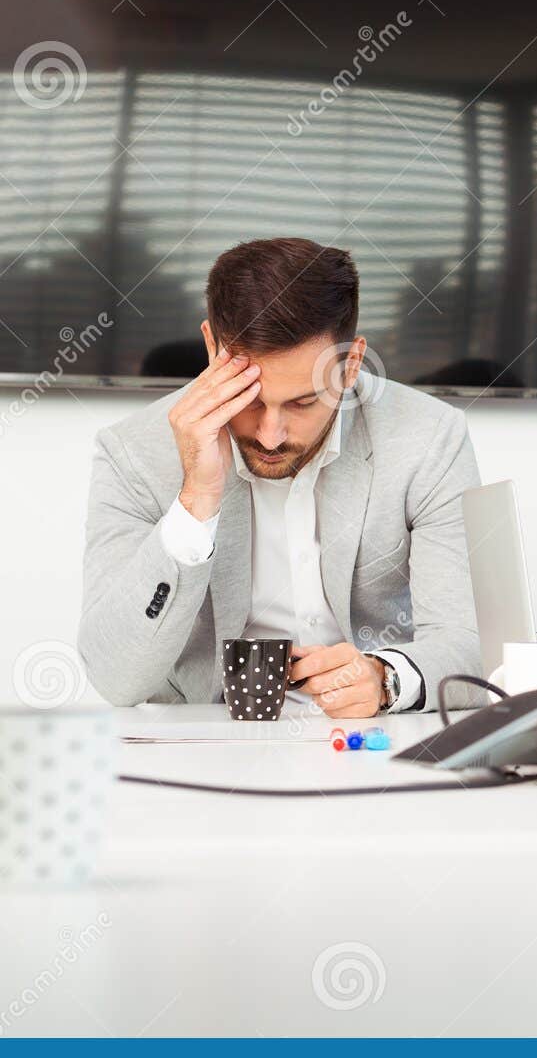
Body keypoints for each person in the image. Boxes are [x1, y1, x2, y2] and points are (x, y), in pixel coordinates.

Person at [78, 237, 482, 717]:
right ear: (212, 347)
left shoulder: (429, 438)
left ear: (352, 363)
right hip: (202, 741)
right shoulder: (132, 452)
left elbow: (472, 643)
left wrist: (385, 677)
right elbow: (114, 678)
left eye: (303, 402)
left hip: (367, 740)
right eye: (249, 400)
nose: (270, 436)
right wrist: (196, 502)